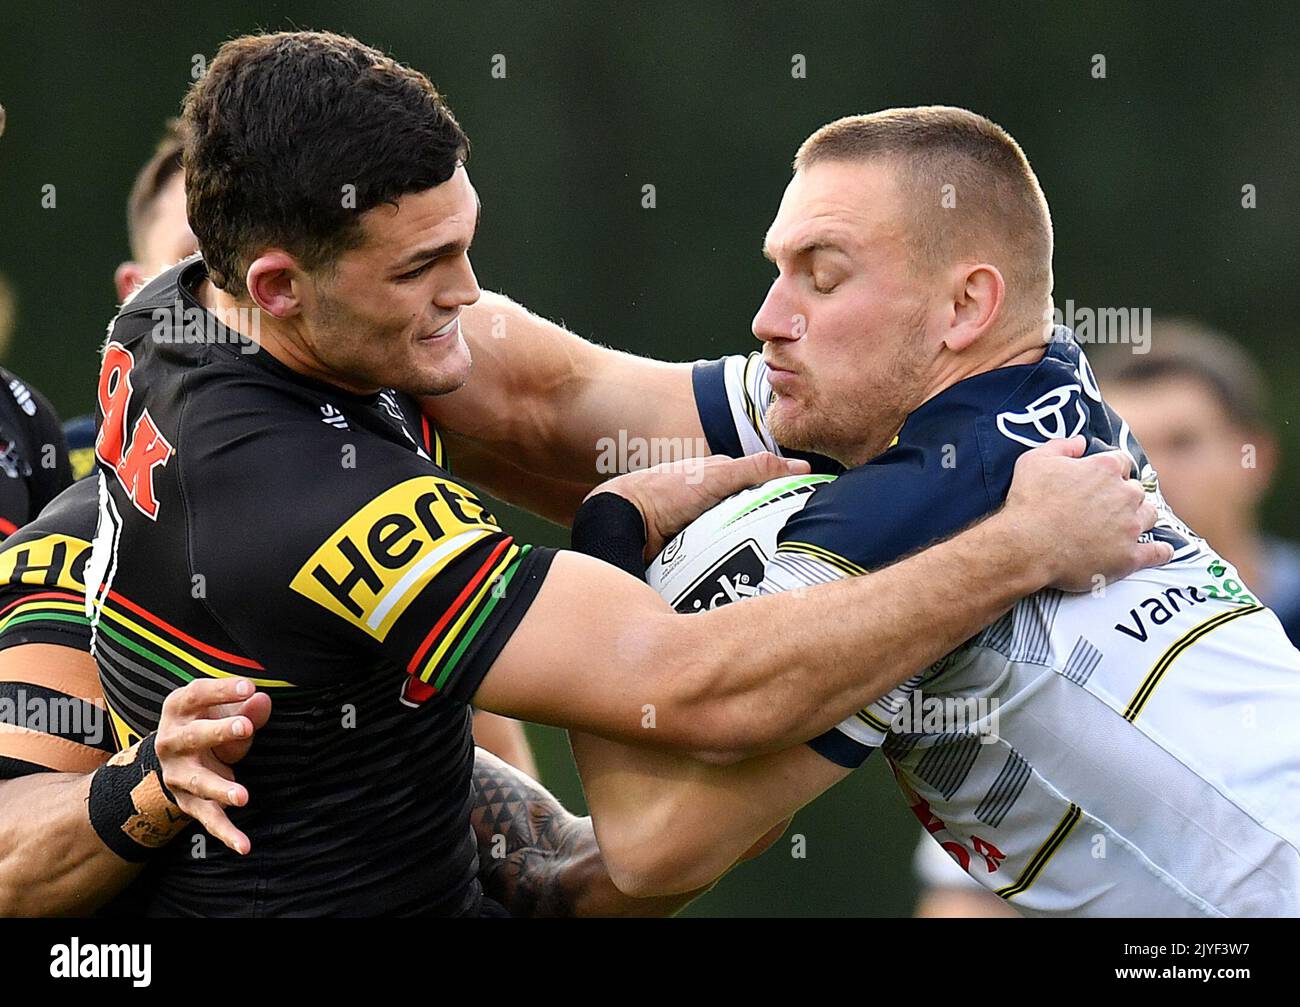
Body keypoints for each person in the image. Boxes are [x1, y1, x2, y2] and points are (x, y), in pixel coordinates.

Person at [85, 33, 1156, 916]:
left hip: (362, 816)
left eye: (465, 241)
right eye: (420, 268)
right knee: (664, 842)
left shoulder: (176, 306)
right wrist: (1020, 546)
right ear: (278, 284)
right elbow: (691, 689)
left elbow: (543, 403)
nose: (465, 292)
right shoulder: (314, 502)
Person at [550, 107, 1300, 917]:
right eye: (778, 270)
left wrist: (608, 535)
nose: (768, 318)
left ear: (967, 306)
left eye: (824, 275)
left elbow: (650, 843)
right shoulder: (1047, 400)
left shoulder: (921, 525)